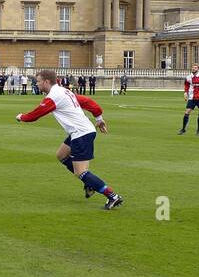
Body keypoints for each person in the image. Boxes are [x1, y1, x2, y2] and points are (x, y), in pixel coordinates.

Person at [16, 69, 123, 211]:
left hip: (81, 134)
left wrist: (21, 117)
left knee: (81, 172)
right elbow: (88, 102)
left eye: (38, 81)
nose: (37, 84)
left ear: (47, 82)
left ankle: (112, 196)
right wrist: (99, 118)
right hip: (79, 132)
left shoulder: (54, 96)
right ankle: (89, 183)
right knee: (61, 155)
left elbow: (35, 115)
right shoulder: (64, 91)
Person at [178, 64, 199, 135]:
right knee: (186, 113)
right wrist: (185, 93)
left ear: (198, 69)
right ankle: (183, 129)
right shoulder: (188, 77)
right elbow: (186, 85)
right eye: (192, 67)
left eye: (195, 68)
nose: (193, 69)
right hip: (192, 98)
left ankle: (198, 130)